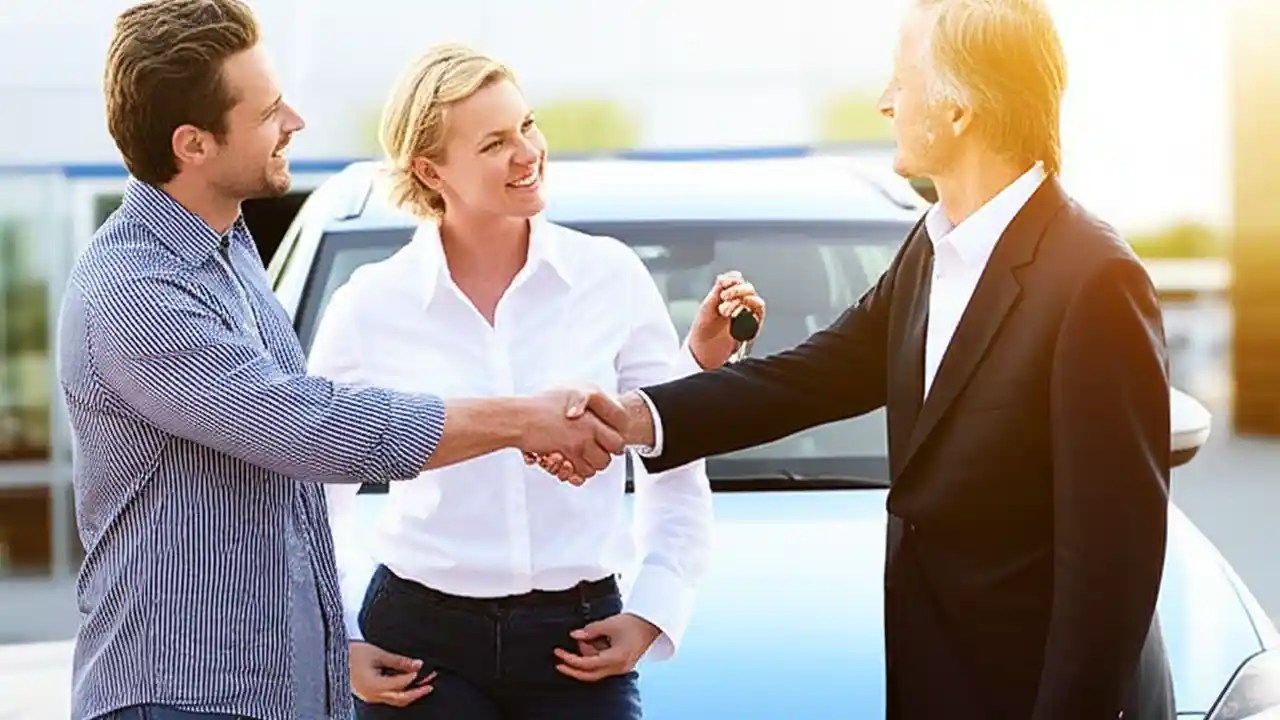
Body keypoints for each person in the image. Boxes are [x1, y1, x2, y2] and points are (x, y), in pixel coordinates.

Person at [549, 0, 1176, 718]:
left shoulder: (1093, 280)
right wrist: (635, 418)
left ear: (960, 109)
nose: (885, 102)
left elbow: (1111, 572)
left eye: (902, 82)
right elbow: (810, 378)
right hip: (940, 678)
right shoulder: (931, 248)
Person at [58, 3, 632, 719]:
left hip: (261, 694)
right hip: (181, 696)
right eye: (268, 111)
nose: (294, 121)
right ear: (193, 145)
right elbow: (309, 429)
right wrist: (524, 421)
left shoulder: (228, 255)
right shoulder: (137, 291)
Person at [308, 43, 765, 720]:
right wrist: (339, 632)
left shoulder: (609, 276)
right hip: (418, 646)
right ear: (431, 169)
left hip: (577, 639)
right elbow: (311, 484)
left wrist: (651, 608)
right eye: (495, 142)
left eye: (528, 125)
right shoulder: (371, 304)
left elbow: (671, 457)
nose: (528, 152)